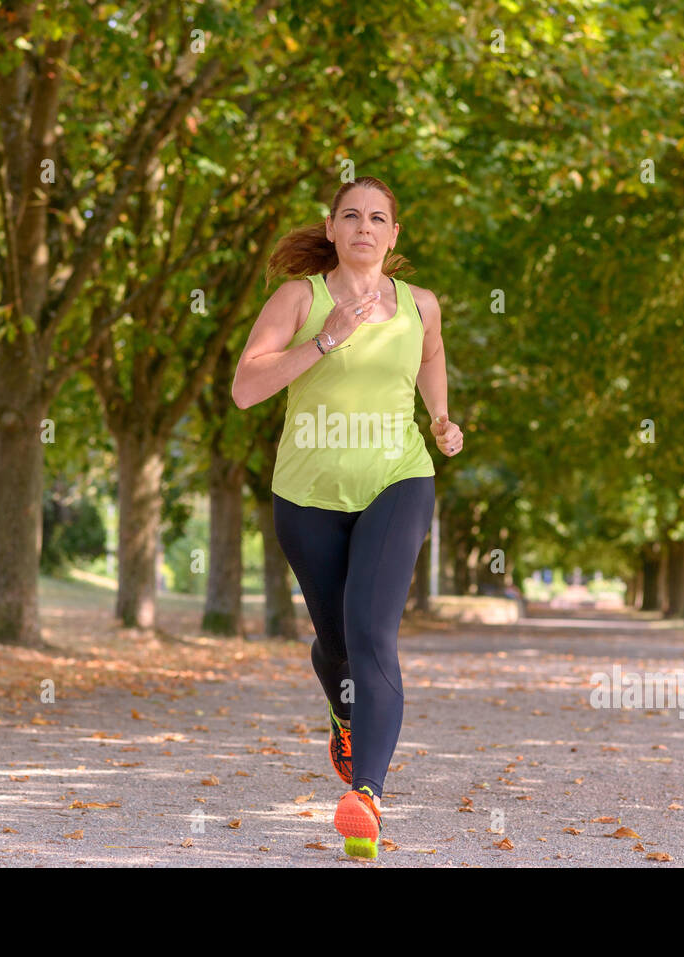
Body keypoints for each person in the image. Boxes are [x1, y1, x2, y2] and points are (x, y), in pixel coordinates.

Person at [232, 176, 463, 858]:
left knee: (371, 631)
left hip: (398, 477)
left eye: (379, 218)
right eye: (352, 216)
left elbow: (431, 355)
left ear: (394, 235)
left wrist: (441, 417)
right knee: (336, 643)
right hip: (307, 495)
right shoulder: (299, 299)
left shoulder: (421, 305)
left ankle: (366, 796)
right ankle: (342, 711)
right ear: (331, 229)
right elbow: (246, 387)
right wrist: (324, 343)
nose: (365, 226)